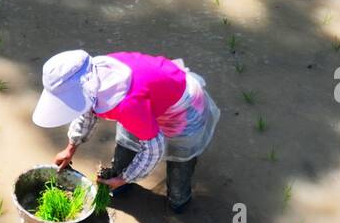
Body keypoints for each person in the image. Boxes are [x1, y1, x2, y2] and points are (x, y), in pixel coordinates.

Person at [33, 49, 219, 213]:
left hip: (183, 108)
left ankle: (179, 200)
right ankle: (119, 184)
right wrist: (71, 147)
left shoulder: (127, 105)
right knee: (126, 145)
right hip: (145, 99)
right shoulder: (94, 75)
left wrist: (125, 178)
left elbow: (154, 148)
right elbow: (86, 110)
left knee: (179, 164)